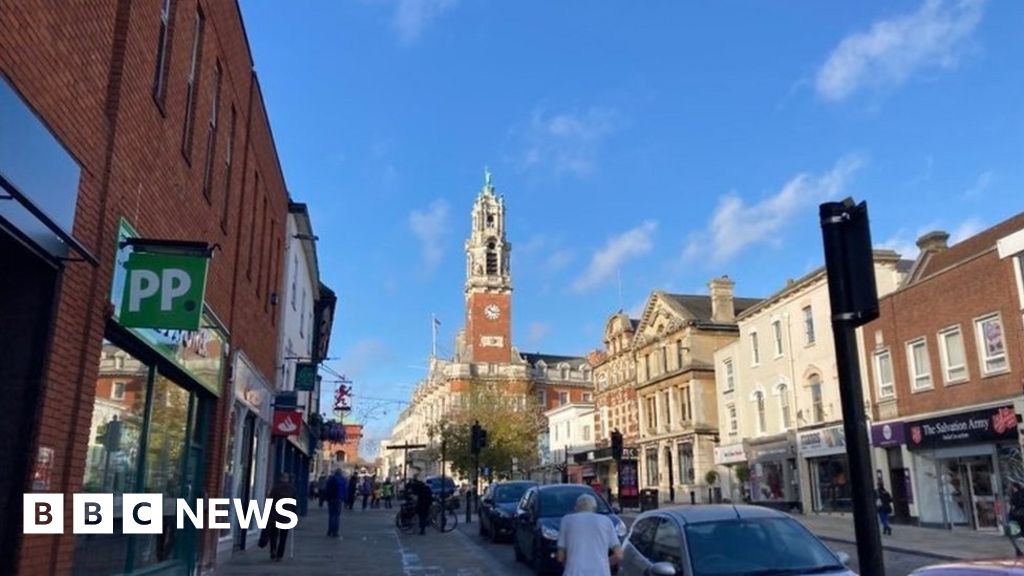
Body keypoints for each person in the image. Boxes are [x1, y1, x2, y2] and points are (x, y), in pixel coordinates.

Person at [556, 494, 623, 576]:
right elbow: (619, 555)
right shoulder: (606, 521)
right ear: (594, 508)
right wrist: (603, 564)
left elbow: (560, 556)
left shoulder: (566, 521)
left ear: (576, 508)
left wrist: (569, 564)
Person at [267, 473, 297, 562]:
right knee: (283, 536)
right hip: (286, 516)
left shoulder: (275, 488)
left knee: (274, 535)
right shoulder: (292, 489)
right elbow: (294, 504)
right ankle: (280, 554)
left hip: (274, 516)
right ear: (287, 479)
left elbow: (270, 501)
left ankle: (273, 550)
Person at [406, 470, 434, 535]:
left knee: (420, 515)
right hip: (425, 504)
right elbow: (429, 496)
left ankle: (419, 527)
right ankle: (422, 528)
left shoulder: (419, 486)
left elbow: (415, 493)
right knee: (423, 516)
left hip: (421, 503)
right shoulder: (426, 488)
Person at [325, 469, 346, 538]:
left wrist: (327, 498)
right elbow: (345, 489)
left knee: (331, 515)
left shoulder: (331, 479)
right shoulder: (343, 480)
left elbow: (327, 489)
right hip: (339, 499)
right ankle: (335, 532)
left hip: (331, 499)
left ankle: (330, 531)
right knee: (337, 516)